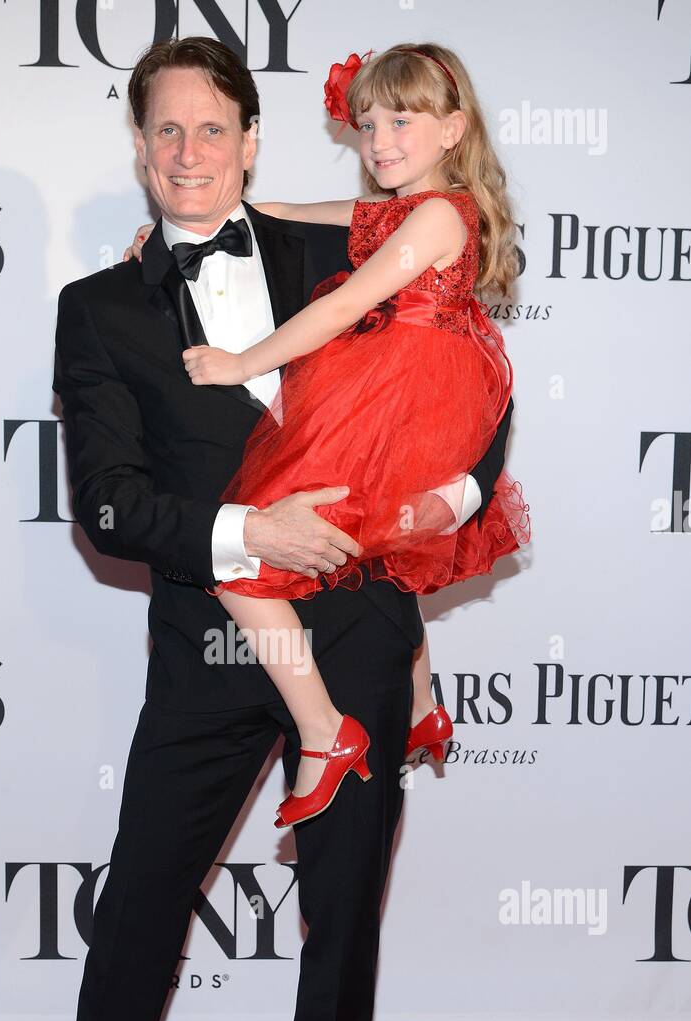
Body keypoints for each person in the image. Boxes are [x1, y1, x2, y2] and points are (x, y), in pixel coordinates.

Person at [0, 35, 514, 1021]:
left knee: (340, 912)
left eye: (213, 129)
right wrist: (247, 527)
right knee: (143, 897)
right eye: (165, 131)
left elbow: (473, 382)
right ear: (139, 149)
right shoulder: (97, 308)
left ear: (252, 145)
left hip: (358, 625)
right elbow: (105, 503)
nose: (188, 152)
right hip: (211, 636)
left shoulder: (349, 244)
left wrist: (457, 502)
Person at [175, 43, 530, 829]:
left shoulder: (436, 214)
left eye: (401, 120)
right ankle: (423, 705)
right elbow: (305, 214)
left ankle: (324, 731)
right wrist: (226, 214)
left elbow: (339, 309)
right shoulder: (413, 209)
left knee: (239, 558)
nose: (379, 141)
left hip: (394, 405)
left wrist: (242, 364)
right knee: (390, 559)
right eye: (366, 124)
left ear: (453, 129)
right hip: (408, 399)